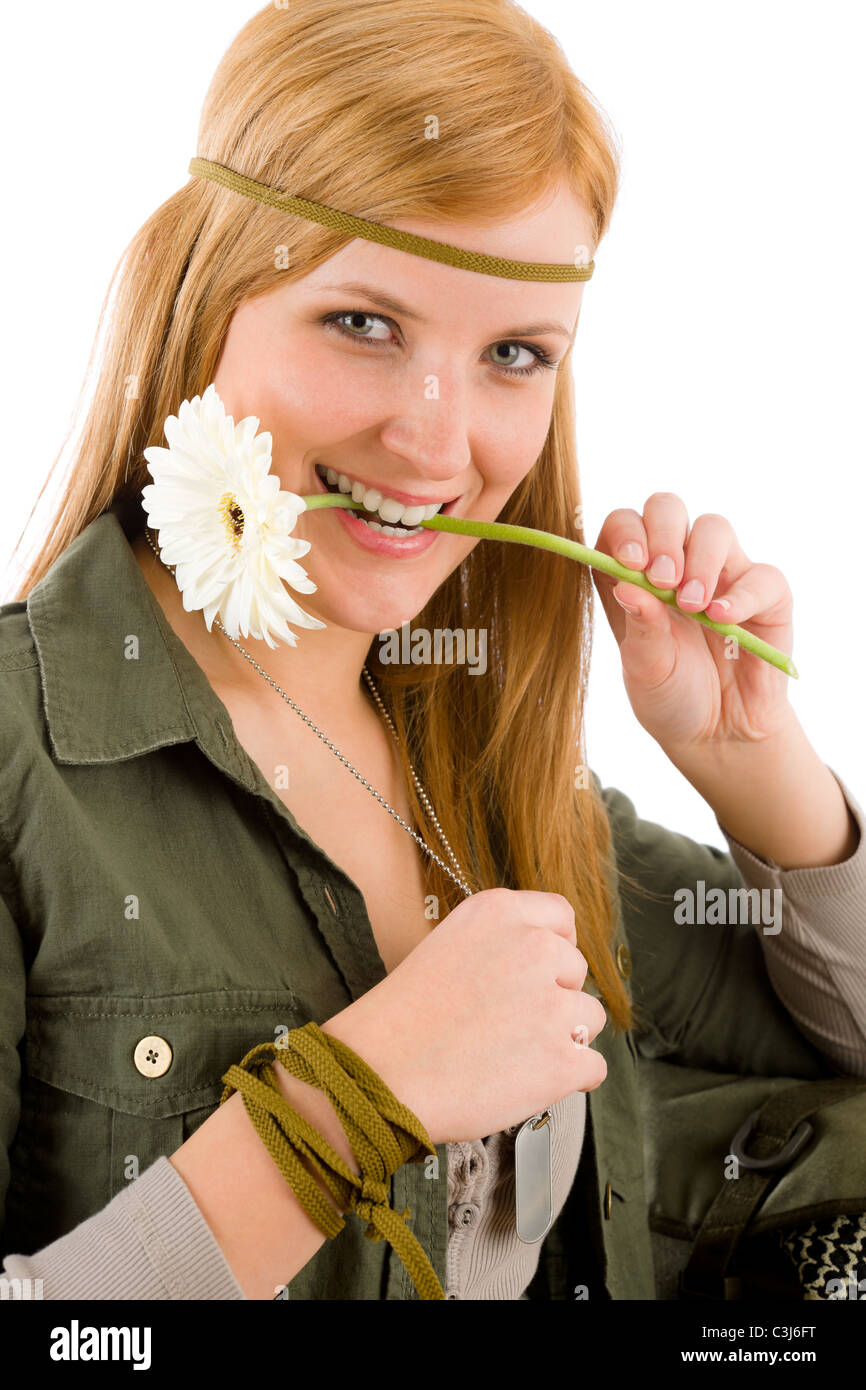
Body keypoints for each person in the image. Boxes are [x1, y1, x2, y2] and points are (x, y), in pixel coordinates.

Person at [1, 0, 863, 1302]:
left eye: (511, 354)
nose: (434, 442)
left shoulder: (499, 786)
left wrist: (750, 762)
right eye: (364, 323)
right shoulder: (25, 766)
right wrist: (345, 1107)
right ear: (206, 302)